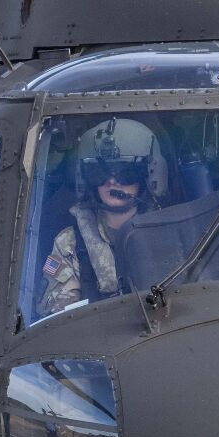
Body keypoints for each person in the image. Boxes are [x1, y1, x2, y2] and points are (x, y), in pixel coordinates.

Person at [36, 118, 159, 317]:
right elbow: (57, 316)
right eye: (99, 172)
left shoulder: (167, 229)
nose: (112, 181)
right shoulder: (70, 243)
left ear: (149, 175)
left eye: (126, 172)